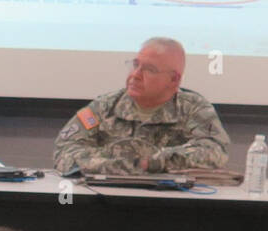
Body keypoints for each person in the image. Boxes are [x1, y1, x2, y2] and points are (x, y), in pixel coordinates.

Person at [53, 37, 229, 175]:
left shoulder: (194, 109)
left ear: (173, 79)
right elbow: (64, 151)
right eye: (136, 65)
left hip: (170, 205)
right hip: (106, 201)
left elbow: (214, 152)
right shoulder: (104, 107)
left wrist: (155, 162)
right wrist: (123, 165)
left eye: (149, 70)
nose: (135, 75)